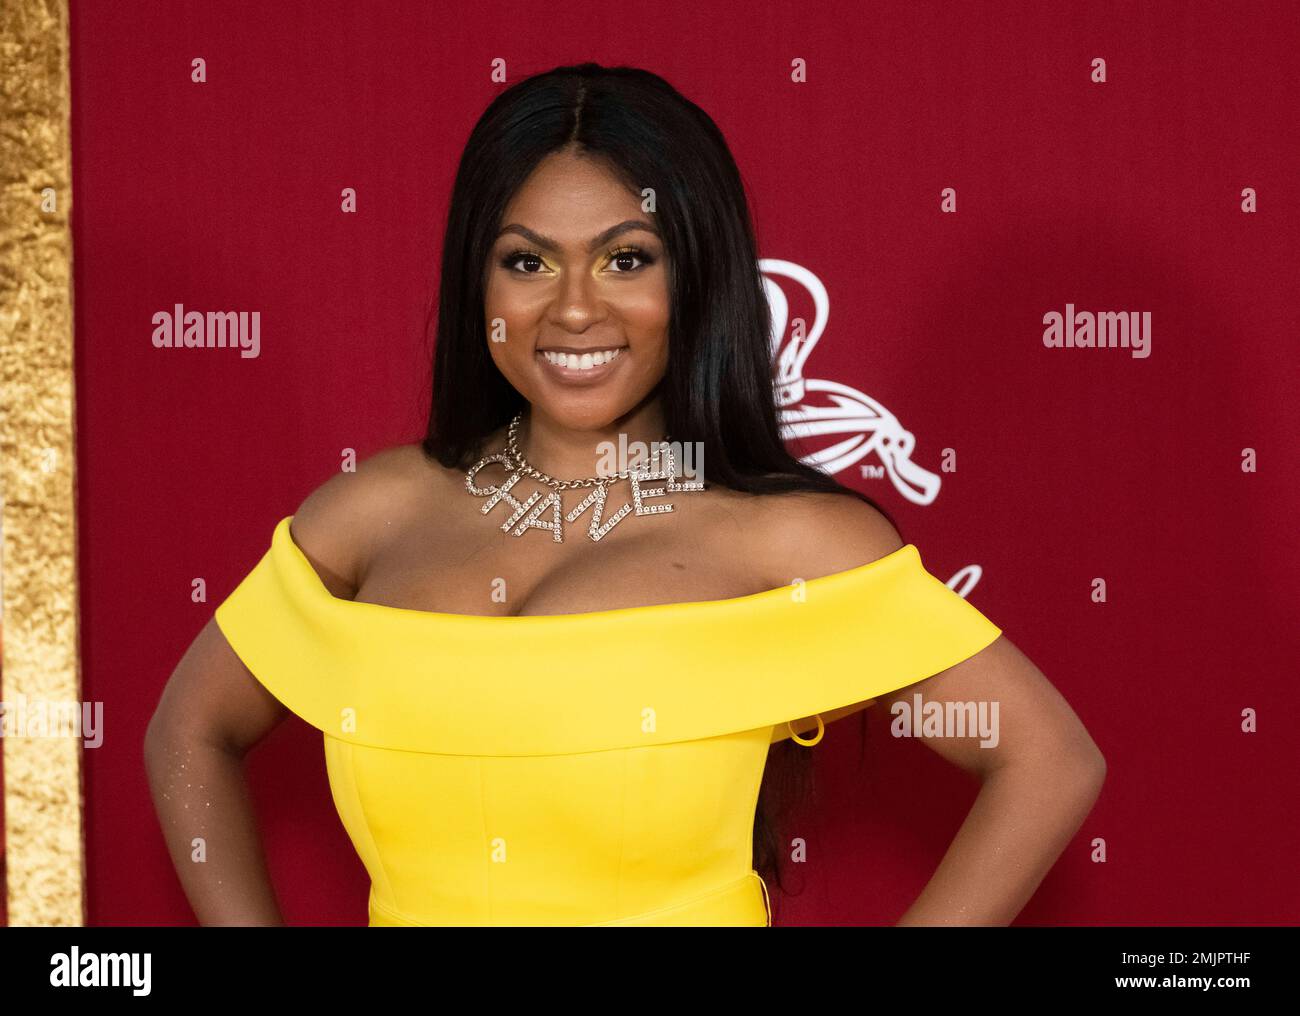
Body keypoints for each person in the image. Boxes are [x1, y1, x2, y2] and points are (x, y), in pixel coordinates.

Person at [145, 62, 1105, 926]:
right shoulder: (369, 516)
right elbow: (188, 729)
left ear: (698, 277)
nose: (572, 307)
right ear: (476, 282)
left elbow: (1048, 760)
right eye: (526, 261)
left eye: (627, 258)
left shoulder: (788, 544)